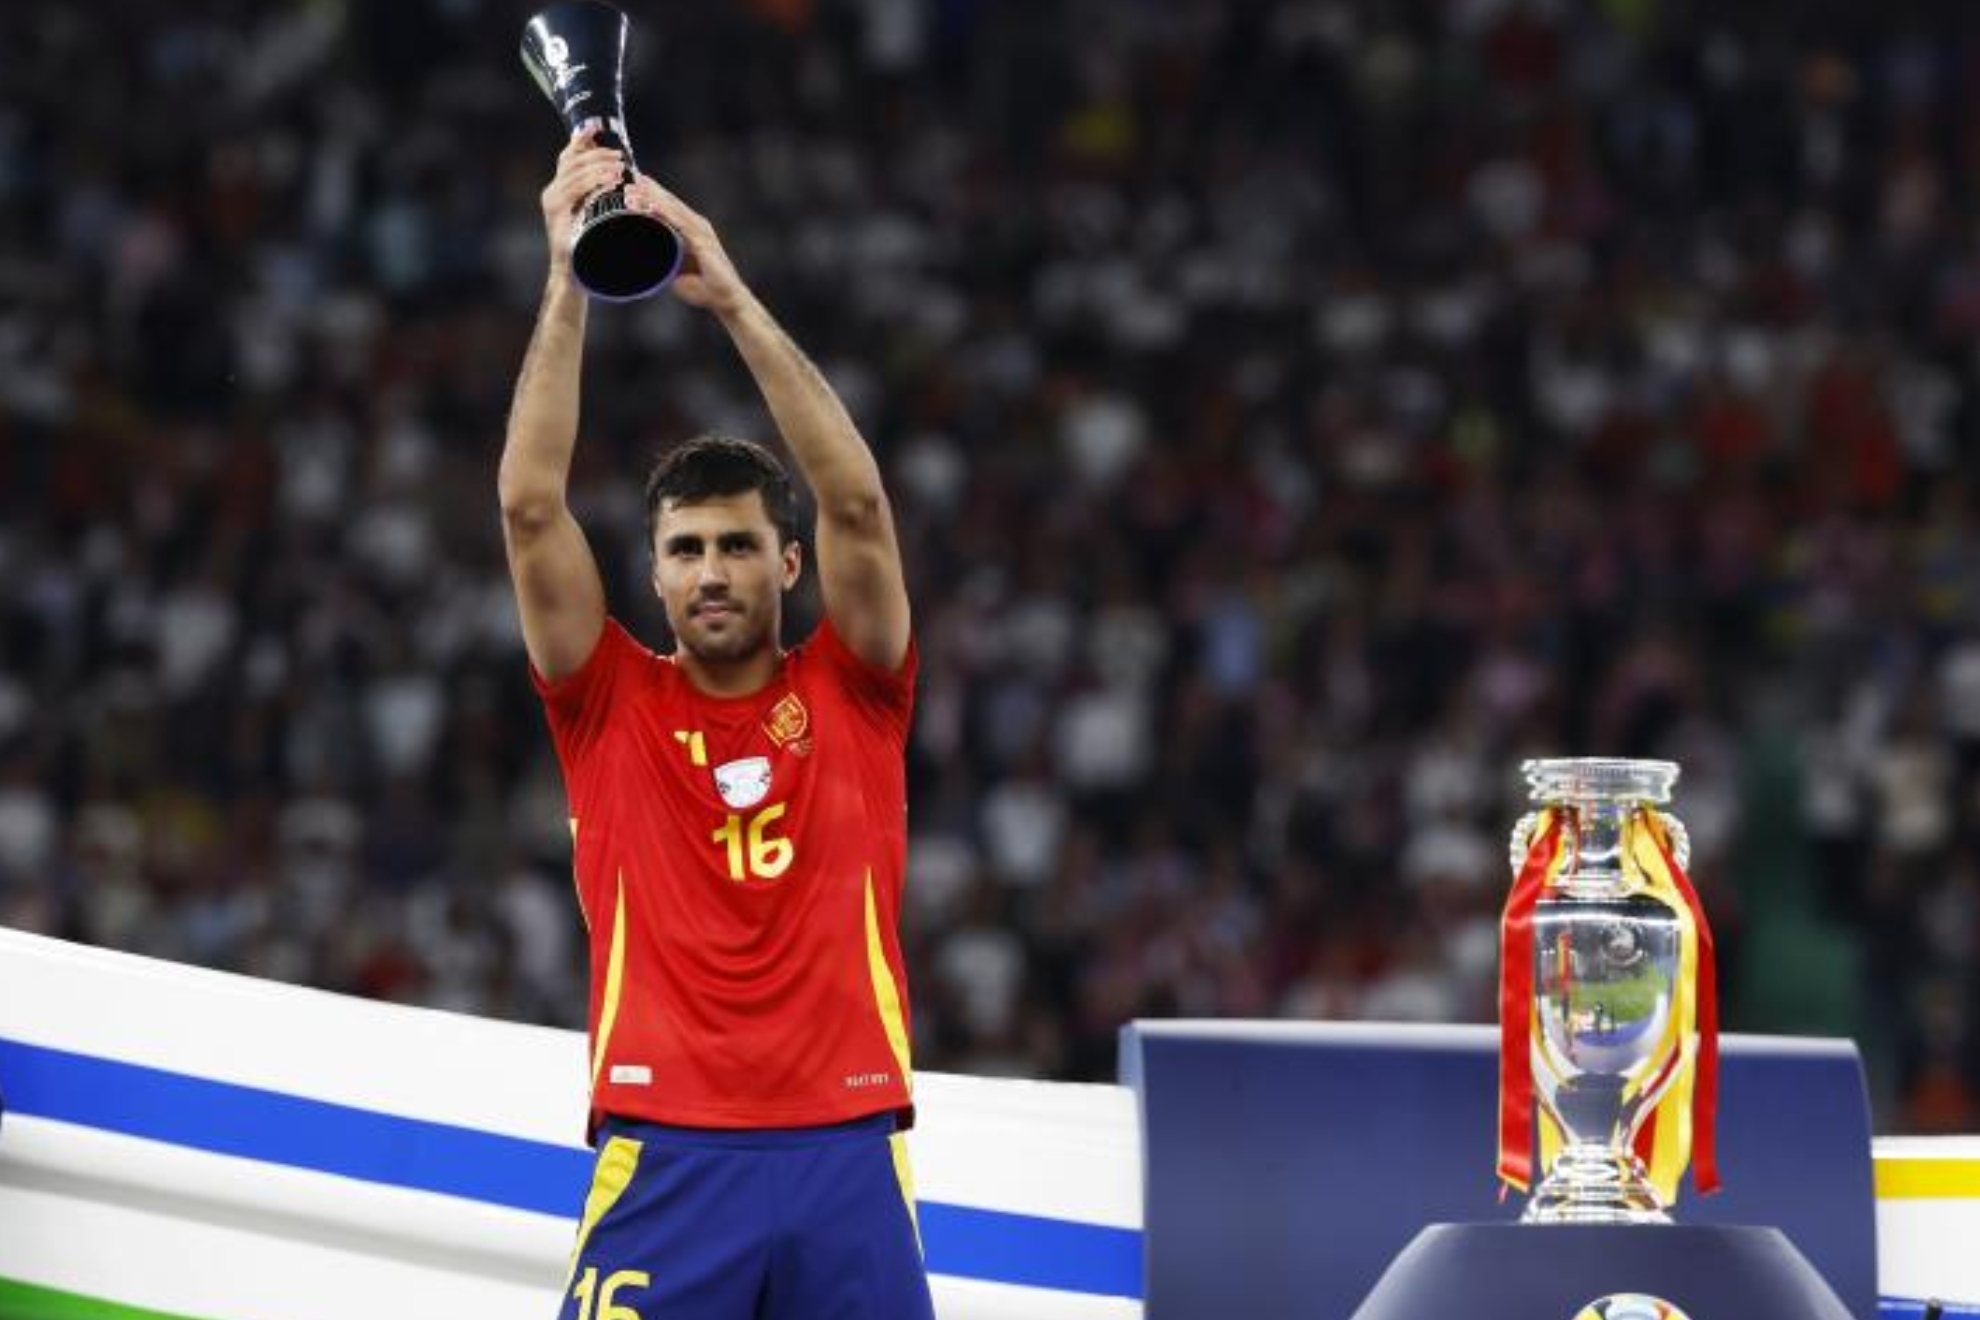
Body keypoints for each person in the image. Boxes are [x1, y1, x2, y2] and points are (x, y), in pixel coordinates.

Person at [499, 127, 932, 1320]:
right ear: (653, 575)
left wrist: (730, 296)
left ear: (789, 563)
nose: (713, 571)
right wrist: (567, 271)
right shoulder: (608, 703)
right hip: (664, 1151)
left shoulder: (860, 687)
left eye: (739, 544)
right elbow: (531, 508)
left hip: (845, 1147)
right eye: (686, 550)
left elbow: (856, 496)